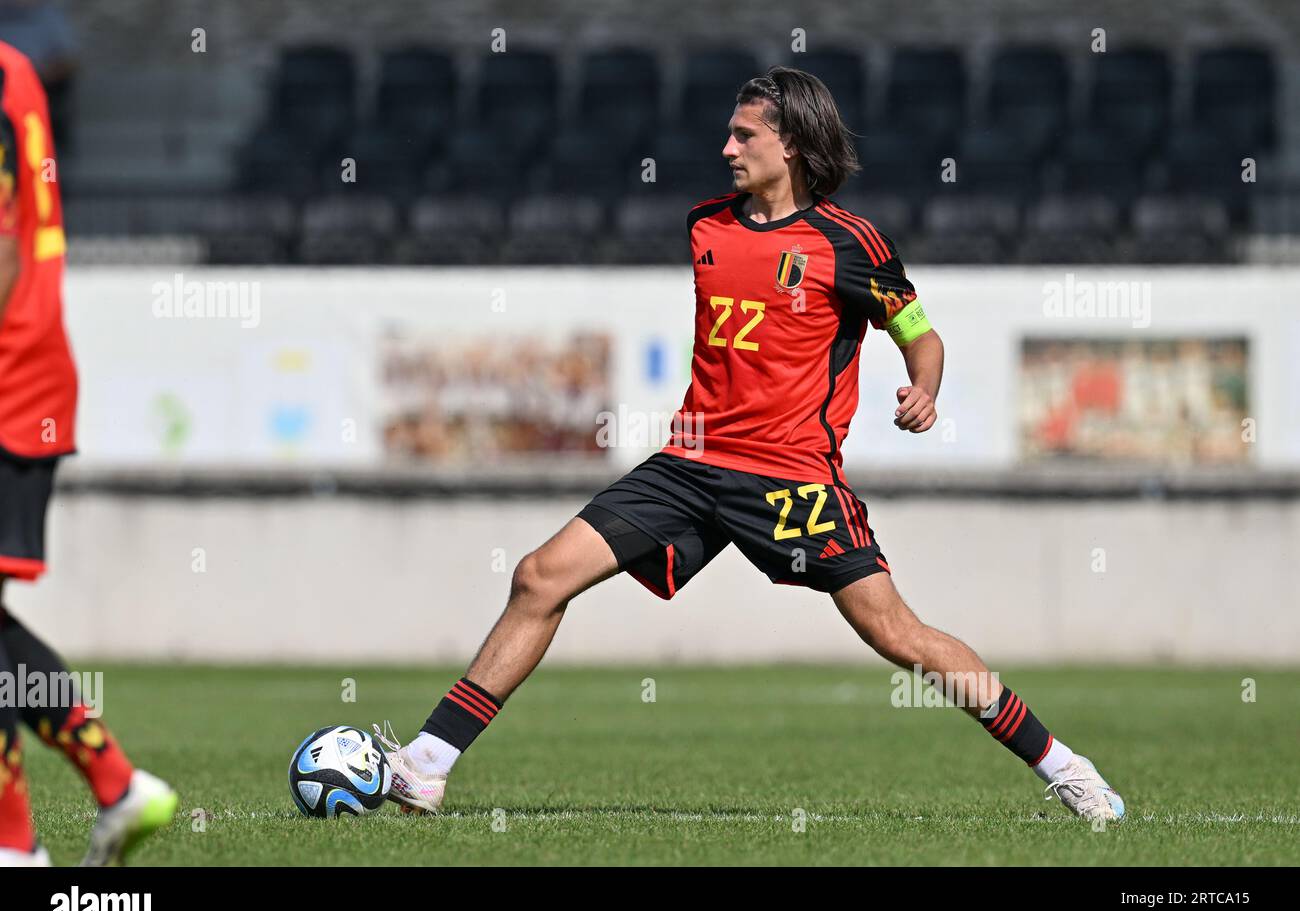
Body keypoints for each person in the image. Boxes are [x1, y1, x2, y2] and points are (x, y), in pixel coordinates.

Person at [374, 66, 1125, 825]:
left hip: (791, 478)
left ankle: (1066, 768)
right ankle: (427, 766)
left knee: (896, 633)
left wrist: (923, 388)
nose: (726, 148)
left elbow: (919, 335)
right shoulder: (706, 224)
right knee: (539, 577)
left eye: (744, 135)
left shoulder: (850, 242)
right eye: (729, 134)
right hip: (689, 463)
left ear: (791, 144)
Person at [0, 39, 176, 867]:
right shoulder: (14, 67)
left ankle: (16, 845)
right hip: (30, 377)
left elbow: (2, 248)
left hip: (8, 385)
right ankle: (114, 785)